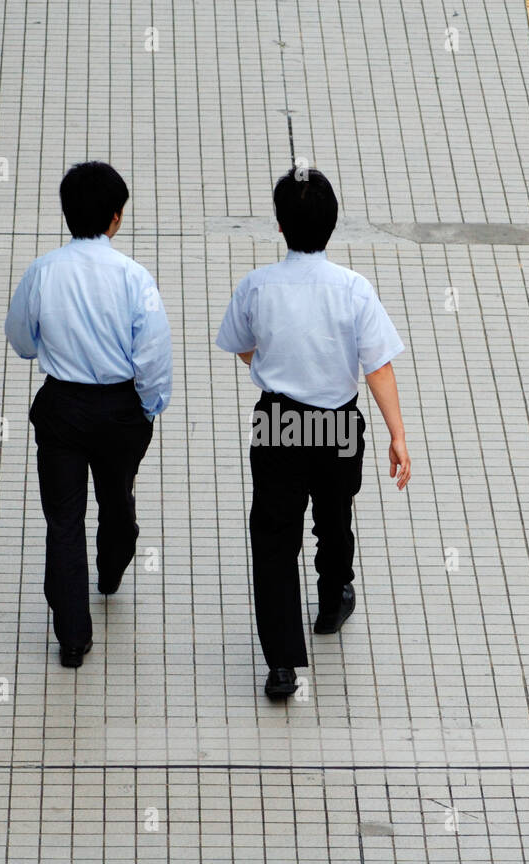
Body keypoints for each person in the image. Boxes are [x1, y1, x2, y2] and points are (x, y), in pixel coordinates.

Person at [216, 167, 410, 700]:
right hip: (339, 423)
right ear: (332, 224)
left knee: (274, 540)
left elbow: (241, 343)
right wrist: (397, 433)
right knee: (334, 512)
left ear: (279, 226)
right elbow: (378, 367)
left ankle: (281, 666)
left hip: (278, 423)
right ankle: (332, 597)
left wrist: (267, 366)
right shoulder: (353, 289)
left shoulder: (256, 285)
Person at [5, 161, 173, 668]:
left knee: (63, 518)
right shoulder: (134, 278)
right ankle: (112, 567)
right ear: (116, 218)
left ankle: (73, 637)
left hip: (62, 410)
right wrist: (148, 407)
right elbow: (154, 355)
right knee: (117, 498)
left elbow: (20, 339)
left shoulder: (41, 272)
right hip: (122, 410)